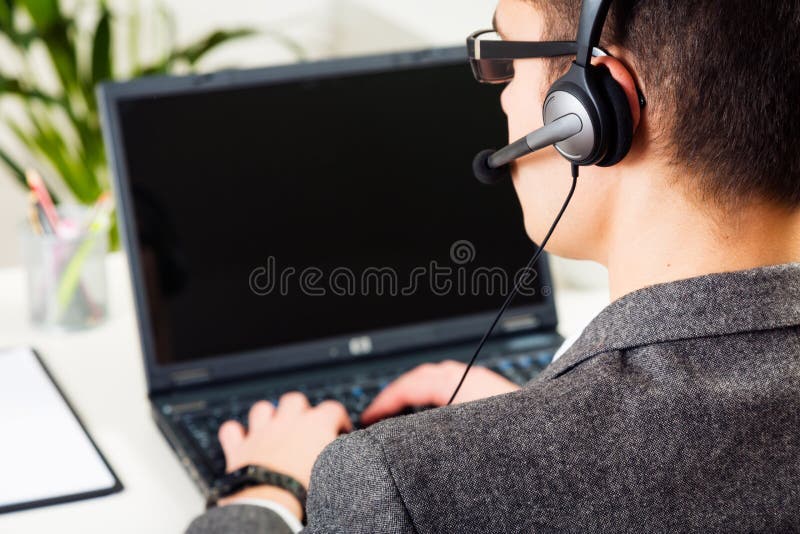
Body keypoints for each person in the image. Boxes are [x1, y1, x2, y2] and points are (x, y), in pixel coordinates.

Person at [188, 0, 800, 531]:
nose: (503, 96)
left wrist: (265, 492)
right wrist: (535, 427)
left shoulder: (389, 486)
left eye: (506, 61)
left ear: (594, 107)